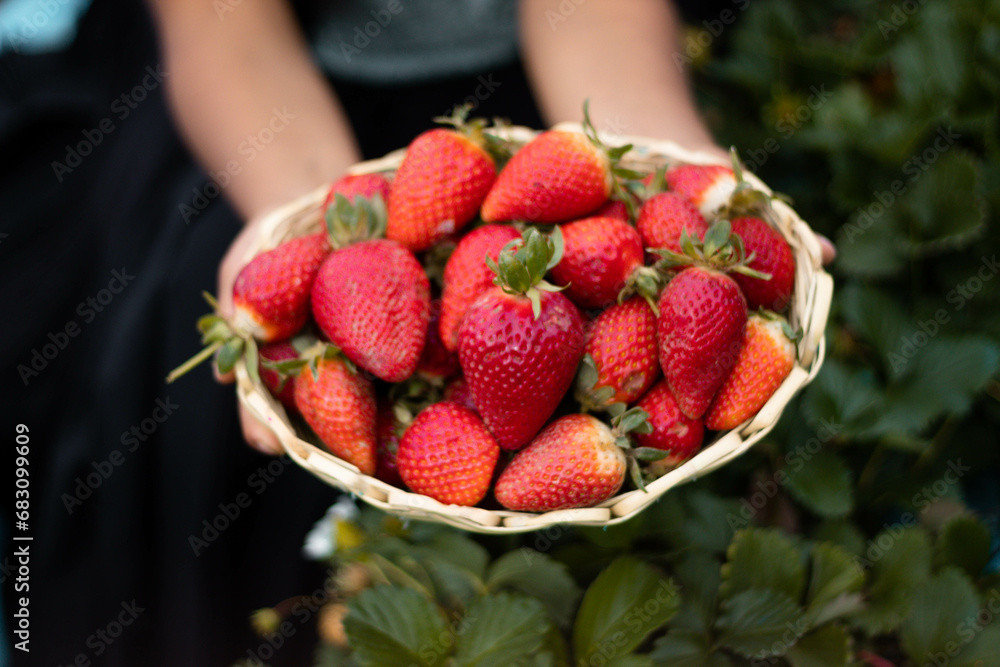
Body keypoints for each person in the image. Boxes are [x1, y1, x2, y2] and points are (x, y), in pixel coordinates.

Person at [2, 1, 832, 664]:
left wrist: (669, 165)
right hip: (271, 116)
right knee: (180, 435)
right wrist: (309, 228)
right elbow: (226, 29)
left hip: (526, 127)